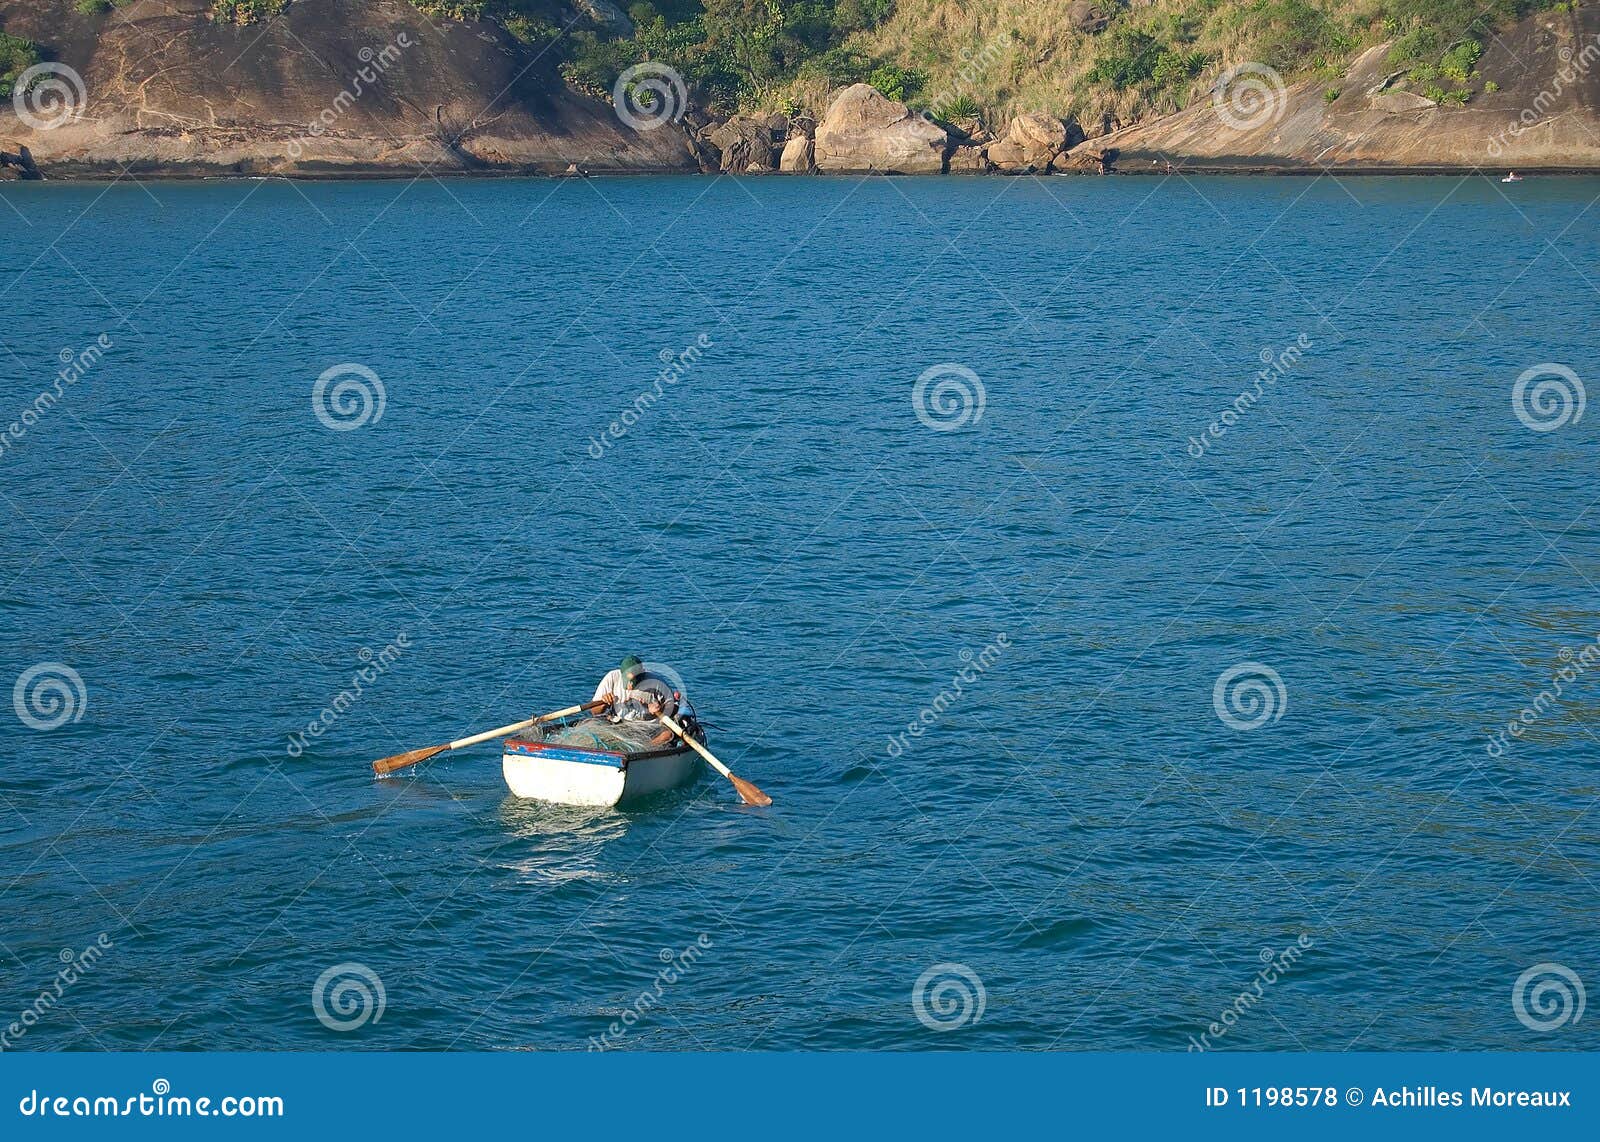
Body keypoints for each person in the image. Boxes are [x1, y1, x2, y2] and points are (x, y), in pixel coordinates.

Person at [592, 655, 680, 746]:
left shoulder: (657, 682)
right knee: (593, 727)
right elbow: (594, 711)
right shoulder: (612, 678)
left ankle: (645, 748)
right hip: (620, 724)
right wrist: (604, 704)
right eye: (628, 681)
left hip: (649, 727)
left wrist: (661, 709)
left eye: (634, 682)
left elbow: (674, 707)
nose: (630, 686)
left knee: (667, 735)